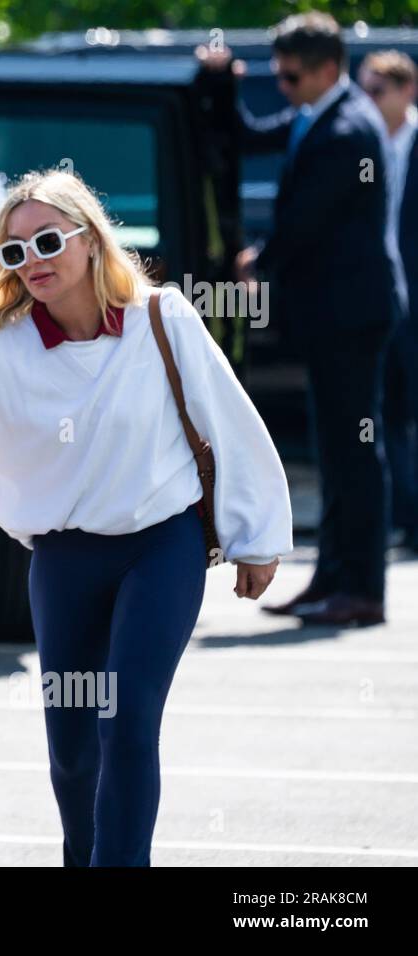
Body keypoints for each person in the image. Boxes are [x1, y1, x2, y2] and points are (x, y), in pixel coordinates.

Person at [0, 169, 292, 866]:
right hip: (63, 561)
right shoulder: (0, 351)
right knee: (70, 749)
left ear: (90, 241)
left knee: (127, 724)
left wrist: (259, 537)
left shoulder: (163, 319)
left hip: (163, 548)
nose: (31, 259)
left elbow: (233, 423)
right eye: (13, 250)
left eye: (48, 240)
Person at [198, 12, 399, 626]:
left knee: (356, 453)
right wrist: (220, 85)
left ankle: (361, 587)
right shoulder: (317, 116)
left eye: (291, 75)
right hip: (332, 317)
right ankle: (333, 578)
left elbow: (308, 219)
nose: (281, 86)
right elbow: (250, 135)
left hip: (351, 317)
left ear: (327, 69)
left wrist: (259, 260)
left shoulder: (348, 129)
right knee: (338, 452)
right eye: (277, 74)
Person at [360, 50, 418, 552]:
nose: (369, 102)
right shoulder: (365, 141)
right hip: (386, 300)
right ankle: (407, 516)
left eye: (378, 91)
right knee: (391, 411)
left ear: (408, 91)